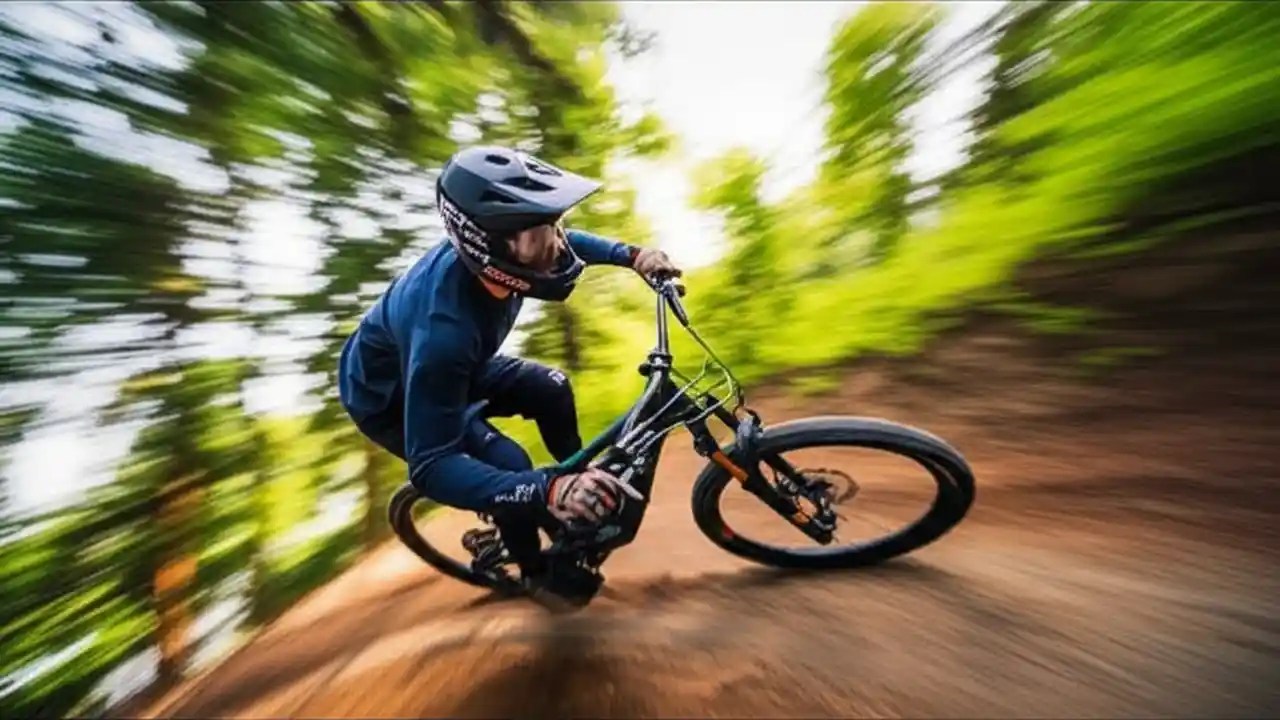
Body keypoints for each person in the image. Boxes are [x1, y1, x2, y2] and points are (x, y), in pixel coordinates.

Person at [337, 145, 681, 603]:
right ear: (489, 248)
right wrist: (548, 490)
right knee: (511, 466)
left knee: (552, 388)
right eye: (539, 238)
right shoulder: (445, 333)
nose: (556, 247)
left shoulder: (505, 257)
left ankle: (575, 494)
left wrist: (633, 256)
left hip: (450, 364)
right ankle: (536, 574)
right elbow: (431, 466)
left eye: (552, 226)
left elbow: (569, 243)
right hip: (391, 397)